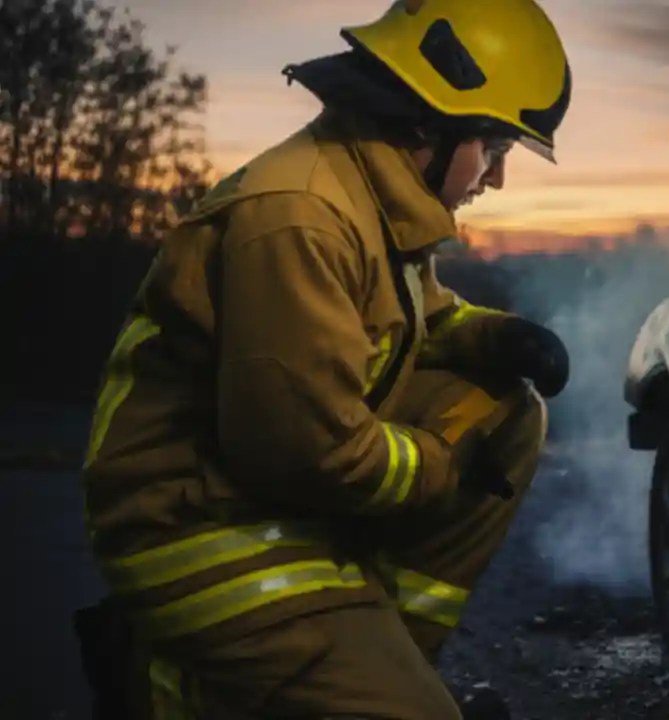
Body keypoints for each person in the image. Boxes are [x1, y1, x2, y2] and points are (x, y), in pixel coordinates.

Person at [75, 0, 572, 717]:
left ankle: (375, 664)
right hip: (192, 526)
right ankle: (170, 683)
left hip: (261, 499)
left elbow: (417, 320)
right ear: (429, 122)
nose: (495, 178)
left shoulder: (368, 194)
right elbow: (305, 454)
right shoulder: (300, 218)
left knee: (509, 409)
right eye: (493, 148)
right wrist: (442, 464)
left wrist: (495, 338)